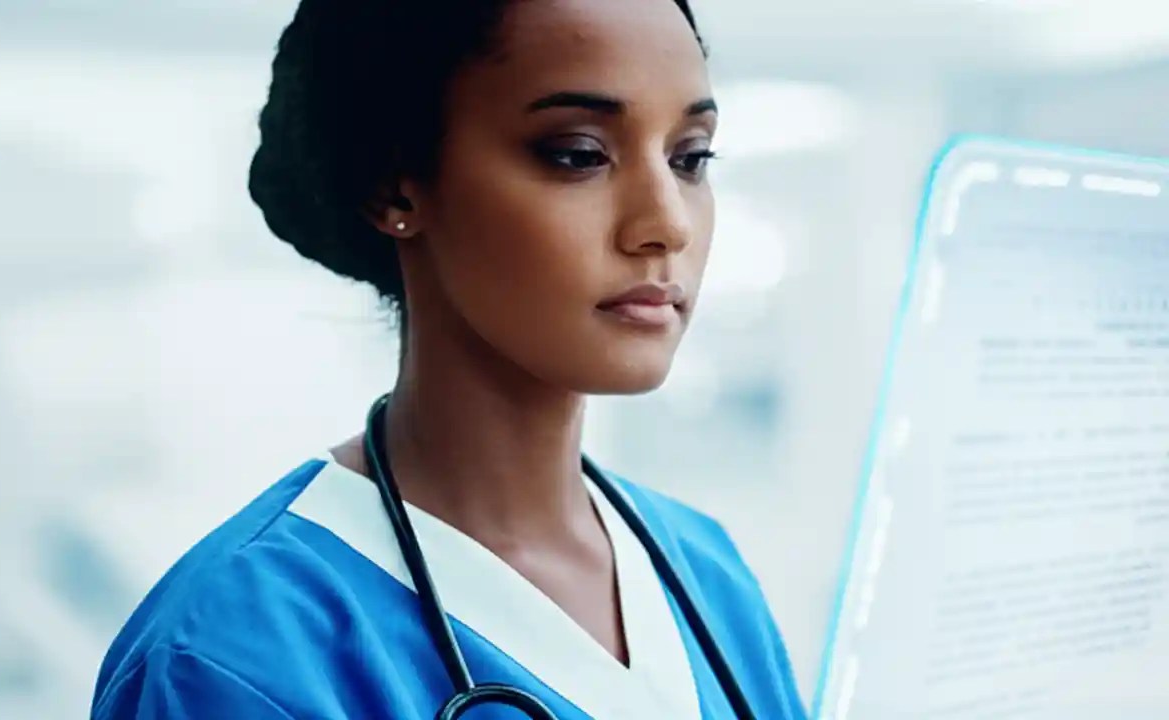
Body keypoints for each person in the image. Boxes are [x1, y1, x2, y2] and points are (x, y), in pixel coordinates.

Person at [91, 0, 808, 717]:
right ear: (394, 185)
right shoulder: (230, 653)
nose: (667, 224)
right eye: (579, 155)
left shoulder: (706, 576)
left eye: (690, 158)